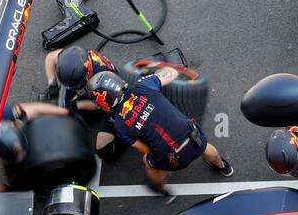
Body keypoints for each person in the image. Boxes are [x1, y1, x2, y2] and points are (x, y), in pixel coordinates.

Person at [89, 70, 233, 198]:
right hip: (194, 138)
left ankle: (162, 189)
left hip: (174, 160)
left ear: (103, 103)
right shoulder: (143, 85)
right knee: (206, 147)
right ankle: (223, 167)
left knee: (148, 161)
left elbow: (144, 150)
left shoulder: (120, 126)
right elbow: (172, 72)